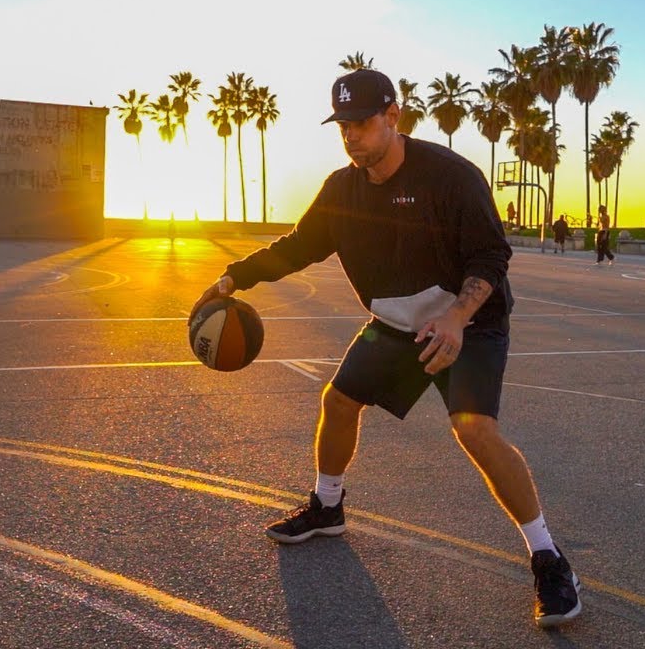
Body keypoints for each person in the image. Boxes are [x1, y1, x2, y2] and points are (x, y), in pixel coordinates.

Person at [189, 68, 582, 628]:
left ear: (393, 116)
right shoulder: (340, 190)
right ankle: (327, 506)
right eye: (343, 125)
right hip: (397, 323)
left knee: (474, 428)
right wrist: (232, 279)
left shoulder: (451, 177)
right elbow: (298, 246)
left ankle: (548, 556)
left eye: (363, 122)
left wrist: (456, 316)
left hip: (468, 321)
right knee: (339, 400)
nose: (351, 135)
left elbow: (491, 258)